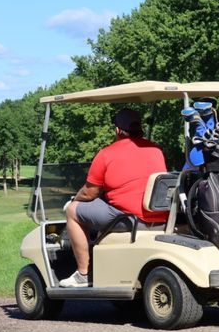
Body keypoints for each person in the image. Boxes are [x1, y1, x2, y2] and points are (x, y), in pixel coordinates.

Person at [59, 108, 169, 287]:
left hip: (129, 219)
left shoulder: (106, 154)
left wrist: (74, 199)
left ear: (117, 130)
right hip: (159, 217)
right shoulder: (155, 149)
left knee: (72, 211)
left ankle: (83, 274)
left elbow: (89, 193)